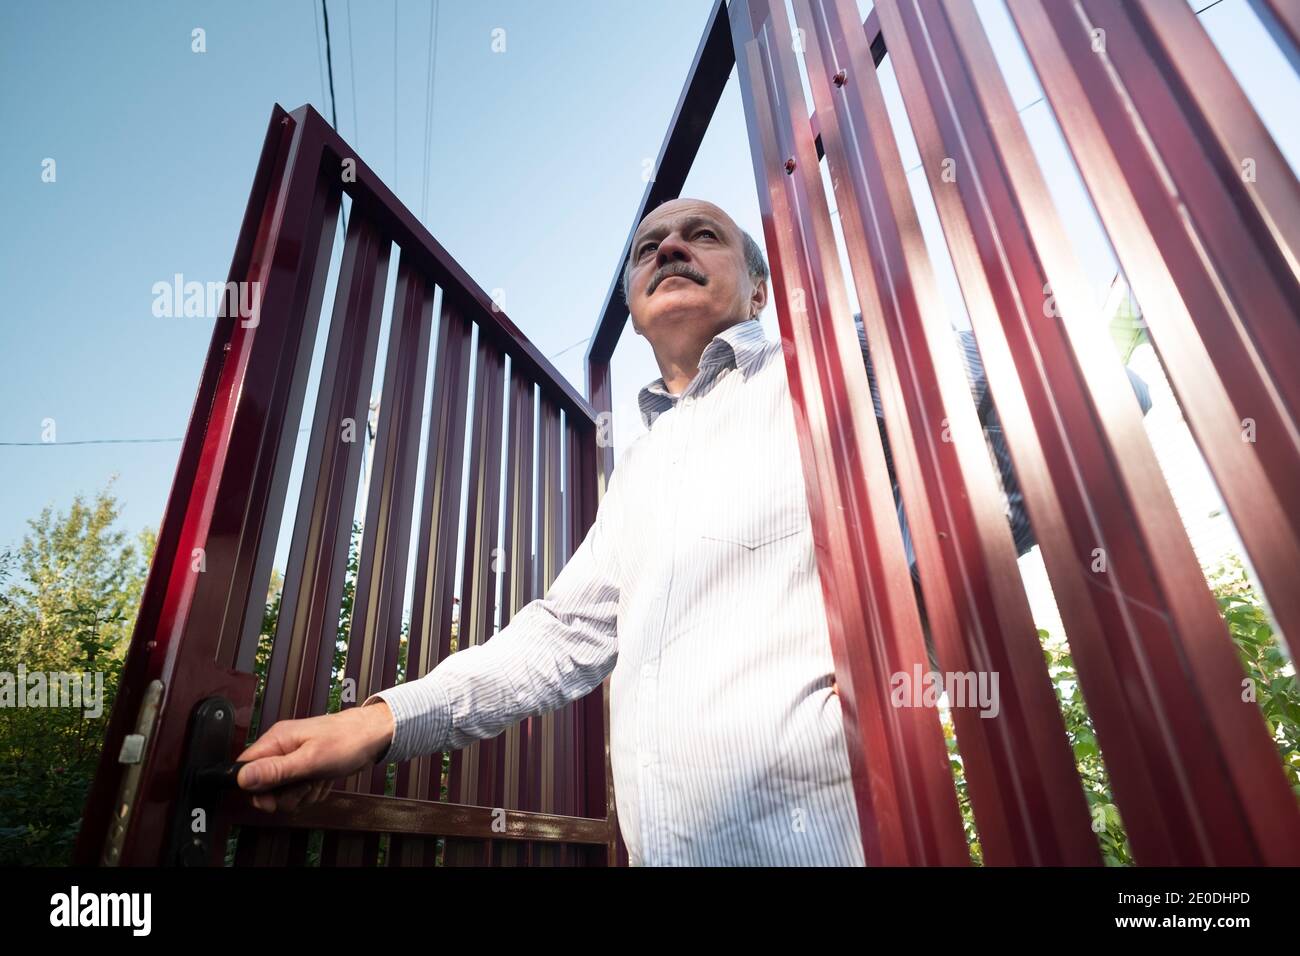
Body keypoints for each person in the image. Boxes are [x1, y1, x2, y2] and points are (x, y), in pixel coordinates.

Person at [235, 197, 1150, 865]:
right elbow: (558, 641)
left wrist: (905, 590)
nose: (669, 244)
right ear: (635, 308)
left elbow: (1082, 409)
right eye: (647, 247)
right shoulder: (639, 471)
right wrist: (384, 720)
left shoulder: (833, 365)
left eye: (701, 235)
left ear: (756, 289)